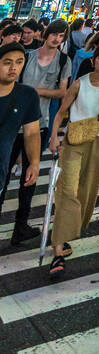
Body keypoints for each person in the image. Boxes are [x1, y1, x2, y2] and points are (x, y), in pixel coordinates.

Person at [47, 42, 99, 279]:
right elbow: (62, 111)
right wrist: (54, 136)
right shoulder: (79, 83)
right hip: (74, 140)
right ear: (93, 60)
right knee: (67, 191)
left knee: (87, 191)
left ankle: (69, 231)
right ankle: (58, 249)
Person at [6, 20, 71, 246]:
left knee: (29, 177)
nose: (56, 39)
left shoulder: (64, 61)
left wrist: (34, 93)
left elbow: (62, 92)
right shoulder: (28, 56)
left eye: (61, 36)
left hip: (39, 124)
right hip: (13, 124)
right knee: (3, 174)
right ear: (46, 34)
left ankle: (20, 226)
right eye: (54, 34)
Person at [0, 43, 42, 240]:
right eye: (7, 63)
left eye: (19, 62)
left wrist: (33, 162)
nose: (13, 68)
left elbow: (32, 133)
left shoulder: (27, 95)